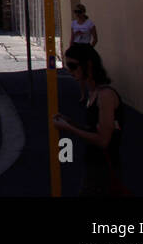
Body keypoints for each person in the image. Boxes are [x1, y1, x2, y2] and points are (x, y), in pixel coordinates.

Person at [53, 44, 127, 197]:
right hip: (94, 165)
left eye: (73, 66)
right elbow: (93, 129)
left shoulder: (105, 96)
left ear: (88, 65)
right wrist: (70, 122)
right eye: (68, 66)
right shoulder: (93, 93)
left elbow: (103, 140)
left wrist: (69, 128)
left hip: (105, 169)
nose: (70, 70)